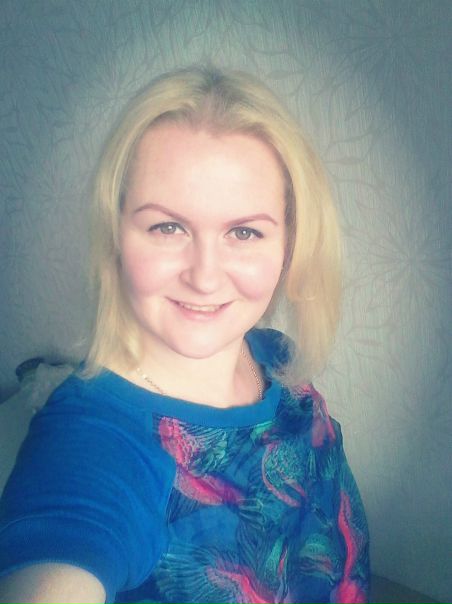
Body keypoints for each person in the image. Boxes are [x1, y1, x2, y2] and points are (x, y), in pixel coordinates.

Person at [0, 66, 370, 604]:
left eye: (244, 232)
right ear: (116, 236)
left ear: (289, 245)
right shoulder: (96, 444)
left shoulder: (272, 356)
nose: (205, 277)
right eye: (167, 227)